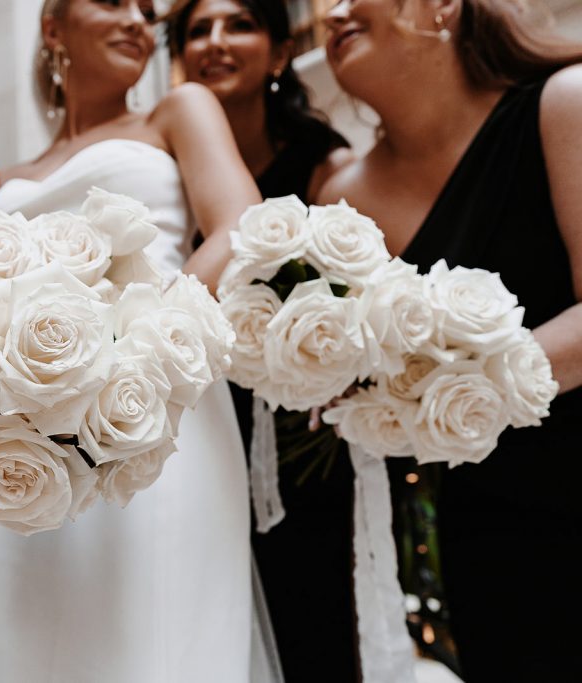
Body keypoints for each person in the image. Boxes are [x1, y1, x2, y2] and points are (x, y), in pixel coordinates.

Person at [0, 1, 277, 681]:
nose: (139, 21)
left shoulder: (179, 110)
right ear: (52, 27)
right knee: (28, 635)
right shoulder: (1, 174)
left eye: (148, 11)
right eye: (114, 1)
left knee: (156, 630)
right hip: (31, 433)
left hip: (157, 407)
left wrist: (129, 346)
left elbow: (238, 225)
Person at [318, 1, 582, 679]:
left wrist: (432, 394)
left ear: (442, 7)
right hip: (484, 534)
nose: (334, 11)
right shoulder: (343, 200)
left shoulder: (563, 104)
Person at [169, 1, 358, 680]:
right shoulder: (169, 168)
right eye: (198, 30)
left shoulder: (322, 164)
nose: (215, 42)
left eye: (239, 24)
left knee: (308, 625)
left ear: (280, 53)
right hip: (195, 433)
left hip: (298, 442)